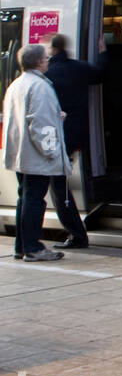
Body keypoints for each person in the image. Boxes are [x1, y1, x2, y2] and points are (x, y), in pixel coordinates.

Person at [2, 44, 75, 262]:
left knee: (25, 199)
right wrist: (51, 151)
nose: (48, 60)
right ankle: (33, 248)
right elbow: (41, 125)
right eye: (45, 58)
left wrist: (55, 115)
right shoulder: (40, 87)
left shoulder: (17, 84)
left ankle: (21, 246)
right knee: (35, 200)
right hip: (37, 156)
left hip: (21, 154)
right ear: (38, 62)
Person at [44, 33, 106, 249]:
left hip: (54, 137)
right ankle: (76, 232)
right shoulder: (79, 67)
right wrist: (102, 53)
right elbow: (100, 74)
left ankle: (77, 234)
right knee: (57, 185)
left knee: (57, 187)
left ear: (52, 50)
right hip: (77, 133)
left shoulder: (47, 74)